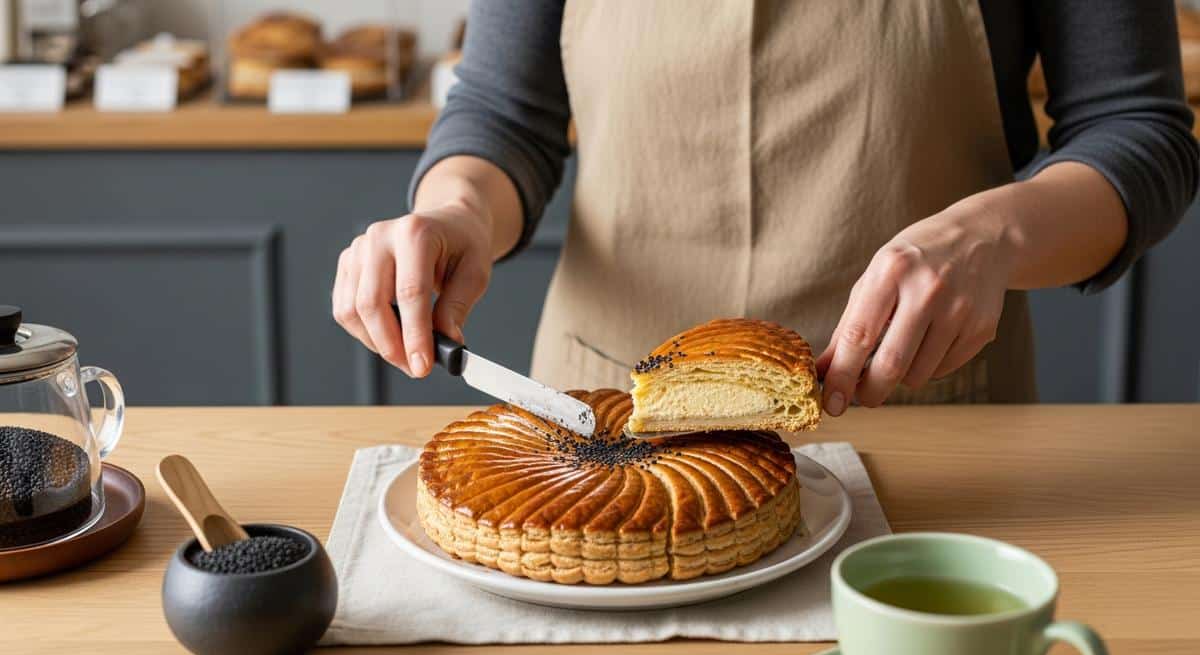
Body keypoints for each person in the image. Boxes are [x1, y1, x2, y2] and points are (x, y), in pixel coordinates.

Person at [332, 1, 1197, 416]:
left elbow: (1138, 128)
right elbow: (504, 113)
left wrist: (995, 235)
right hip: (610, 416)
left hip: (924, 413)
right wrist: (458, 212)